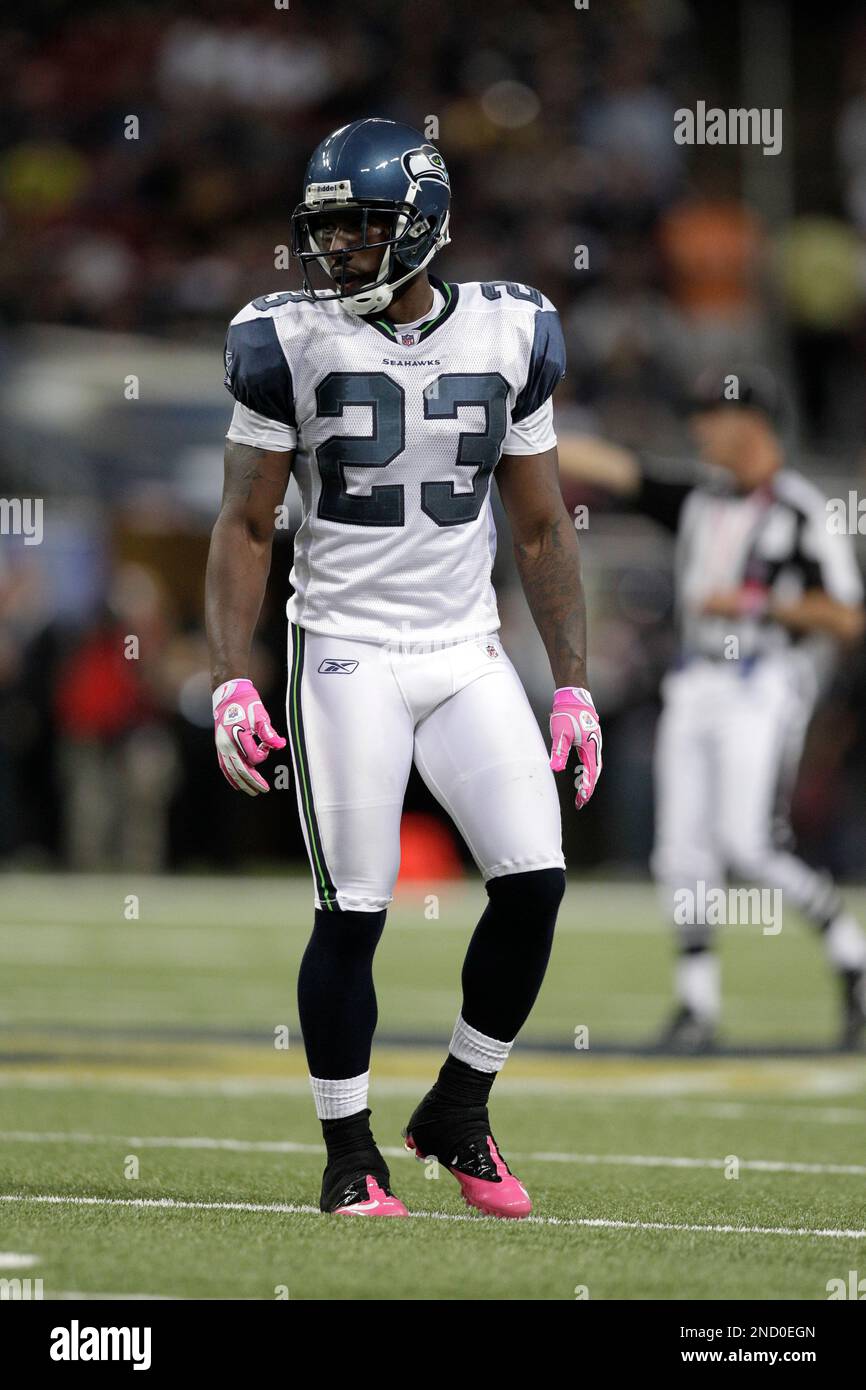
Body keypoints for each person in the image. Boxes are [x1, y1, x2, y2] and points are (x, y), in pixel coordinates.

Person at [205, 119, 602, 1217]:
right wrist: (230, 679)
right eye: (326, 229)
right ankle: (348, 1156)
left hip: (463, 647)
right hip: (341, 648)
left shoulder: (511, 329)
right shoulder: (281, 337)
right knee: (358, 907)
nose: (338, 251)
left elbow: (538, 529)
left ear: (423, 224)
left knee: (532, 881)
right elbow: (244, 525)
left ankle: (458, 1105)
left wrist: (570, 681)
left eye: (363, 226)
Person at [558, 367, 866, 1051]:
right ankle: (697, 1006)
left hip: (762, 678)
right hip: (695, 681)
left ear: (751, 424)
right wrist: (517, 430)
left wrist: (756, 603)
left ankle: (853, 954)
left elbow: (845, 617)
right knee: (680, 852)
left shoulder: (799, 510)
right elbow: (616, 467)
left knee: (748, 843)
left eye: (712, 415)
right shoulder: (700, 497)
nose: (700, 428)